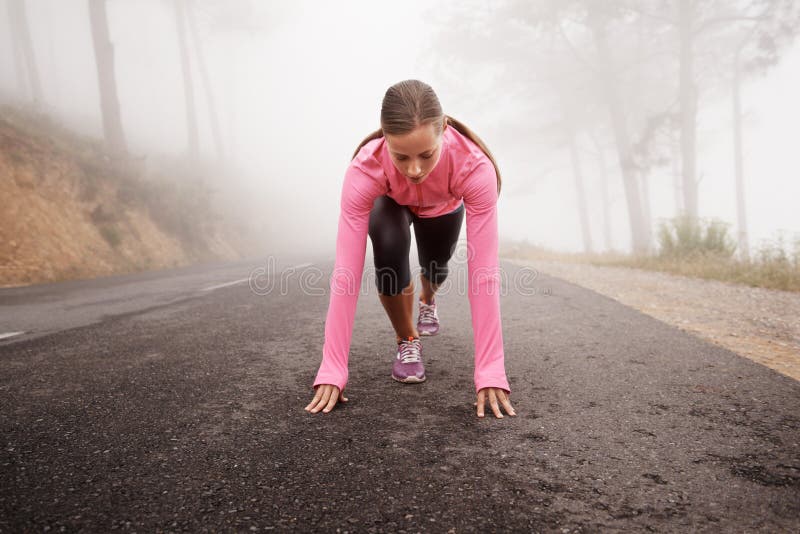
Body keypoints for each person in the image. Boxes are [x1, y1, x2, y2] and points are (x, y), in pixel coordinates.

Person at [304, 79, 516, 419]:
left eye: (426, 154)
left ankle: (427, 299)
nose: (414, 170)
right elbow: (345, 275)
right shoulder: (365, 168)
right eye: (401, 157)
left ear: (444, 129)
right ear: (384, 139)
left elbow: (485, 275)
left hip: (444, 209)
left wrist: (490, 371)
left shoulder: (474, 167)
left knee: (436, 268)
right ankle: (407, 339)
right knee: (388, 246)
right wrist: (332, 368)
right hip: (391, 204)